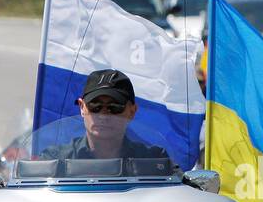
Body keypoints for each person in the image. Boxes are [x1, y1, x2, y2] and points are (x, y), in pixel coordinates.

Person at [39, 69, 171, 161]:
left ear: (132, 111)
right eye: (95, 106)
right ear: (82, 107)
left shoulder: (154, 161)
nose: (103, 115)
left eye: (114, 107)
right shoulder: (54, 160)